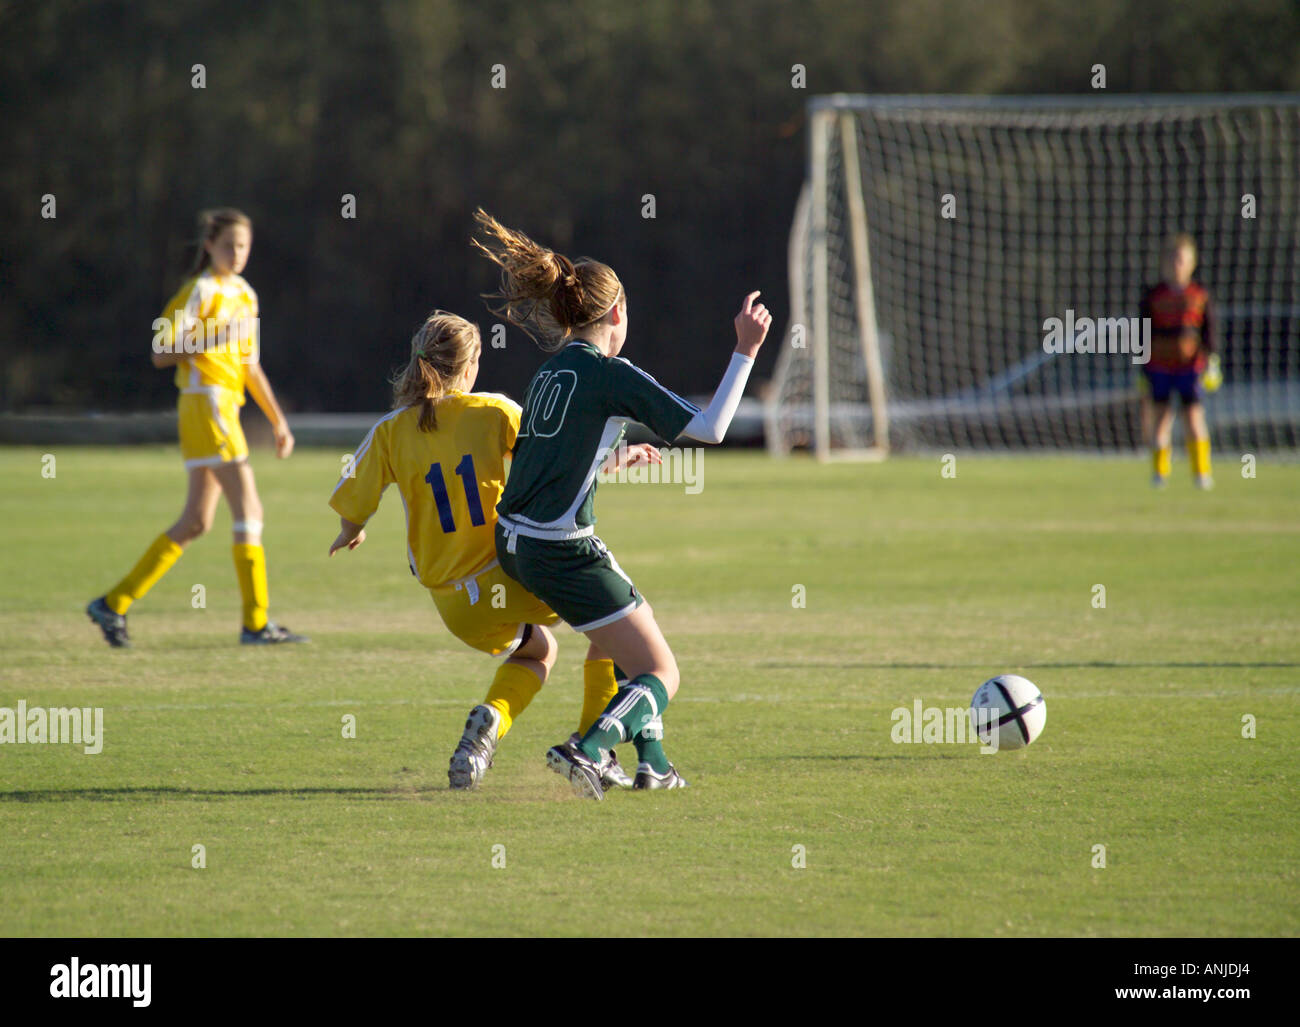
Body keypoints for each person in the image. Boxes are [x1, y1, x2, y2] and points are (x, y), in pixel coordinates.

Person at [471, 208, 772, 799]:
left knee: (633, 627)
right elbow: (710, 429)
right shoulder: (610, 373)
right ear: (616, 313)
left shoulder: (549, 371)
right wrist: (746, 350)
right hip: (559, 550)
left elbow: (547, 463)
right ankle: (589, 748)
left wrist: (610, 461)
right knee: (662, 671)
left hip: (515, 542)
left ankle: (653, 764)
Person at [327, 311, 654, 790]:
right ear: (472, 363)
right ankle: (593, 749)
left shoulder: (391, 429)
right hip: (509, 575)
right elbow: (555, 460)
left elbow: (355, 501)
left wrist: (351, 529)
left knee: (536, 652)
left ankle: (488, 725)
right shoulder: (494, 412)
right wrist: (616, 460)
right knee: (609, 624)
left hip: (452, 604)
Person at [87, 208, 306, 647]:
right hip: (206, 405)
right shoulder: (199, 290)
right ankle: (255, 624)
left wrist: (278, 420)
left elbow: (249, 365)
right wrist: (211, 338)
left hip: (224, 406)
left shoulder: (245, 295)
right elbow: (160, 351)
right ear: (209, 245)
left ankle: (113, 604)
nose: (237, 253)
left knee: (195, 522)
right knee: (250, 512)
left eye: (243, 246)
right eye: (228, 245)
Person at [1139, 233, 1219, 489]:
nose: (1177, 265)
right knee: (1160, 419)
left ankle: (1201, 473)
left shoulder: (1199, 295)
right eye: (1173, 259)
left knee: (1194, 419)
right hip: (1160, 366)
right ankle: (1159, 474)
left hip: (1189, 366)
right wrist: (1142, 367)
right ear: (1164, 263)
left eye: (1182, 260)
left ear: (1192, 263)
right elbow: (1143, 332)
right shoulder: (1153, 295)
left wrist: (1212, 361)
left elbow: (1209, 331)